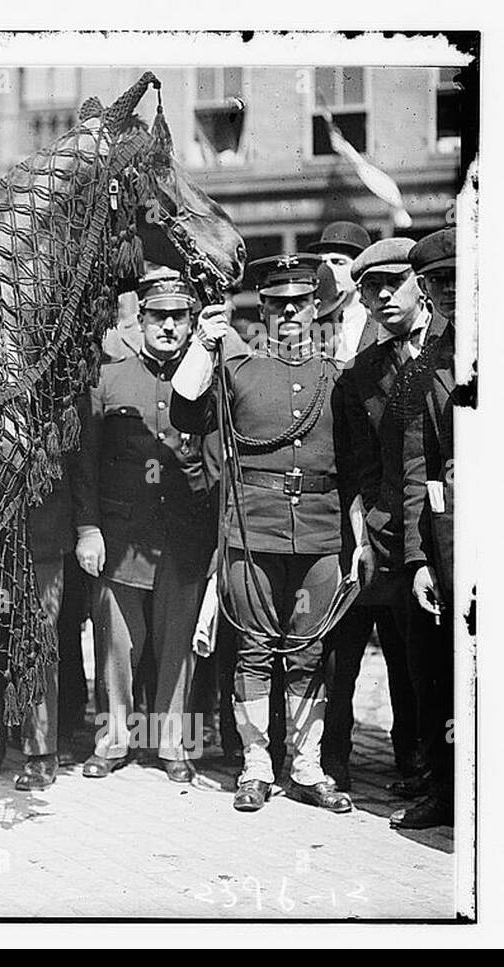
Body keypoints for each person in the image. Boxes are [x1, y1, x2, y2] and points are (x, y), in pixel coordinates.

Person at [170, 254, 354, 814]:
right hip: (254, 530)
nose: (289, 313)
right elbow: (185, 414)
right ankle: (256, 764)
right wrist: (202, 345)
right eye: (278, 304)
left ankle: (306, 766)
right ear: (264, 310)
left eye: (299, 303)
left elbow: (358, 460)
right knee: (253, 648)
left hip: (319, 533)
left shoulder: (335, 375)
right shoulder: (240, 370)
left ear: (316, 308)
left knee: (308, 649)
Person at [70, 268, 221, 784]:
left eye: (179, 317)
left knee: (177, 645)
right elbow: (85, 463)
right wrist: (88, 529)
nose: (169, 327)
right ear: (141, 319)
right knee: (117, 645)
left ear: (191, 322)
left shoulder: (205, 379)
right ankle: (113, 740)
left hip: (182, 534)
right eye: (159, 316)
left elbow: (215, 460)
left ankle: (174, 743)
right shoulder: (109, 379)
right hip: (121, 536)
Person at [325, 238, 436, 794]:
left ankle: (427, 765)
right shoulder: (360, 375)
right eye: (373, 287)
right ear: (362, 300)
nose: (386, 295)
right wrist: (364, 535)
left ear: (421, 286)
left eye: (395, 282)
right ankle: (357, 759)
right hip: (383, 533)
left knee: (426, 661)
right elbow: (359, 466)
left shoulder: (459, 346)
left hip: (441, 532)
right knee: (372, 650)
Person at [392, 227, 457, 829]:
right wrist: (418, 559)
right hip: (450, 542)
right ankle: (445, 788)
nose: (451, 291)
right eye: (439, 282)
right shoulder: (424, 366)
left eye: (459, 277)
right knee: (435, 667)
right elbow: (417, 466)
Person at [306, 221, 373, 364]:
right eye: (323, 263)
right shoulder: (308, 322)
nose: (328, 269)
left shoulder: (377, 321)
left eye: (338, 262)